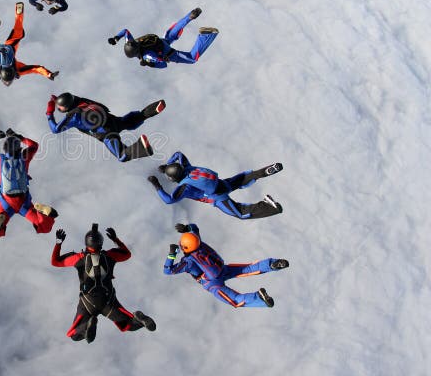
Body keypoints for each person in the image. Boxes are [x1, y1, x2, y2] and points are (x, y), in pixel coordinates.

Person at [52, 224, 156, 343]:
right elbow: (127, 254)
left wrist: (58, 243)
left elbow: (55, 262)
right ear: (100, 243)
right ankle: (138, 317)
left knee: (75, 336)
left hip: (88, 302)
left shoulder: (78, 258)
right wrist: (115, 239)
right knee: (129, 325)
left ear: (86, 243)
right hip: (108, 301)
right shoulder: (109, 256)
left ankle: (86, 329)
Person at [163, 223, 289, 308]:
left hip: (211, 283)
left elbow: (168, 270)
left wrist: (171, 255)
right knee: (249, 268)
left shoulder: (188, 262)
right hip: (222, 269)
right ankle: (272, 264)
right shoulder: (199, 242)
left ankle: (260, 299)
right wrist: (186, 228)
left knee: (235, 300)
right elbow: (195, 227)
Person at [147, 151, 283, 219]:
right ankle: (265, 171)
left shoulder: (185, 187)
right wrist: (167, 165)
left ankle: (272, 208)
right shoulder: (188, 168)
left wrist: (156, 184)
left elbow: (169, 200)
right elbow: (178, 154)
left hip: (217, 198)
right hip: (221, 184)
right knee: (242, 179)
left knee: (241, 213)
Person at [0, 129, 58, 239]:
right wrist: (19, 137)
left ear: (4, 149)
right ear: (19, 147)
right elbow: (34, 146)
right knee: (43, 226)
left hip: (6, 202)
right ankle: (45, 214)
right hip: (23, 203)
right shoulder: (24, 157)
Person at [46, 92, 165, 162]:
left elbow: (55, 129)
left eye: (59, 107)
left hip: (105, 132)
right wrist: (58, 100)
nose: (58, 109)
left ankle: (142, 147)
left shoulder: (73, 117)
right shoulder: (79, 100)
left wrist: (49, 113)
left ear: (66, 107)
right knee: (128, 122)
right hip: (111, 120)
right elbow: (69, 100)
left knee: (122, 156)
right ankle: (152, 110)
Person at [0, 3, 59, 92]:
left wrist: (49, 74)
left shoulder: (18, 69)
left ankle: (19, 14)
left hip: (9, 47)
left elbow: (36, 68)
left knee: (18, 33)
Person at [109, 8, 218, 68]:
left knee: (192, 58)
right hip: (161, 41)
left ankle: (205, 35)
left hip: (167, 52)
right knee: (172, 34)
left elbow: (163, 64)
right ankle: (189, 16)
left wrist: (149, 63)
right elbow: (125, 31)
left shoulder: (147, 55)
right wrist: (116, 38)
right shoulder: (131, 42)